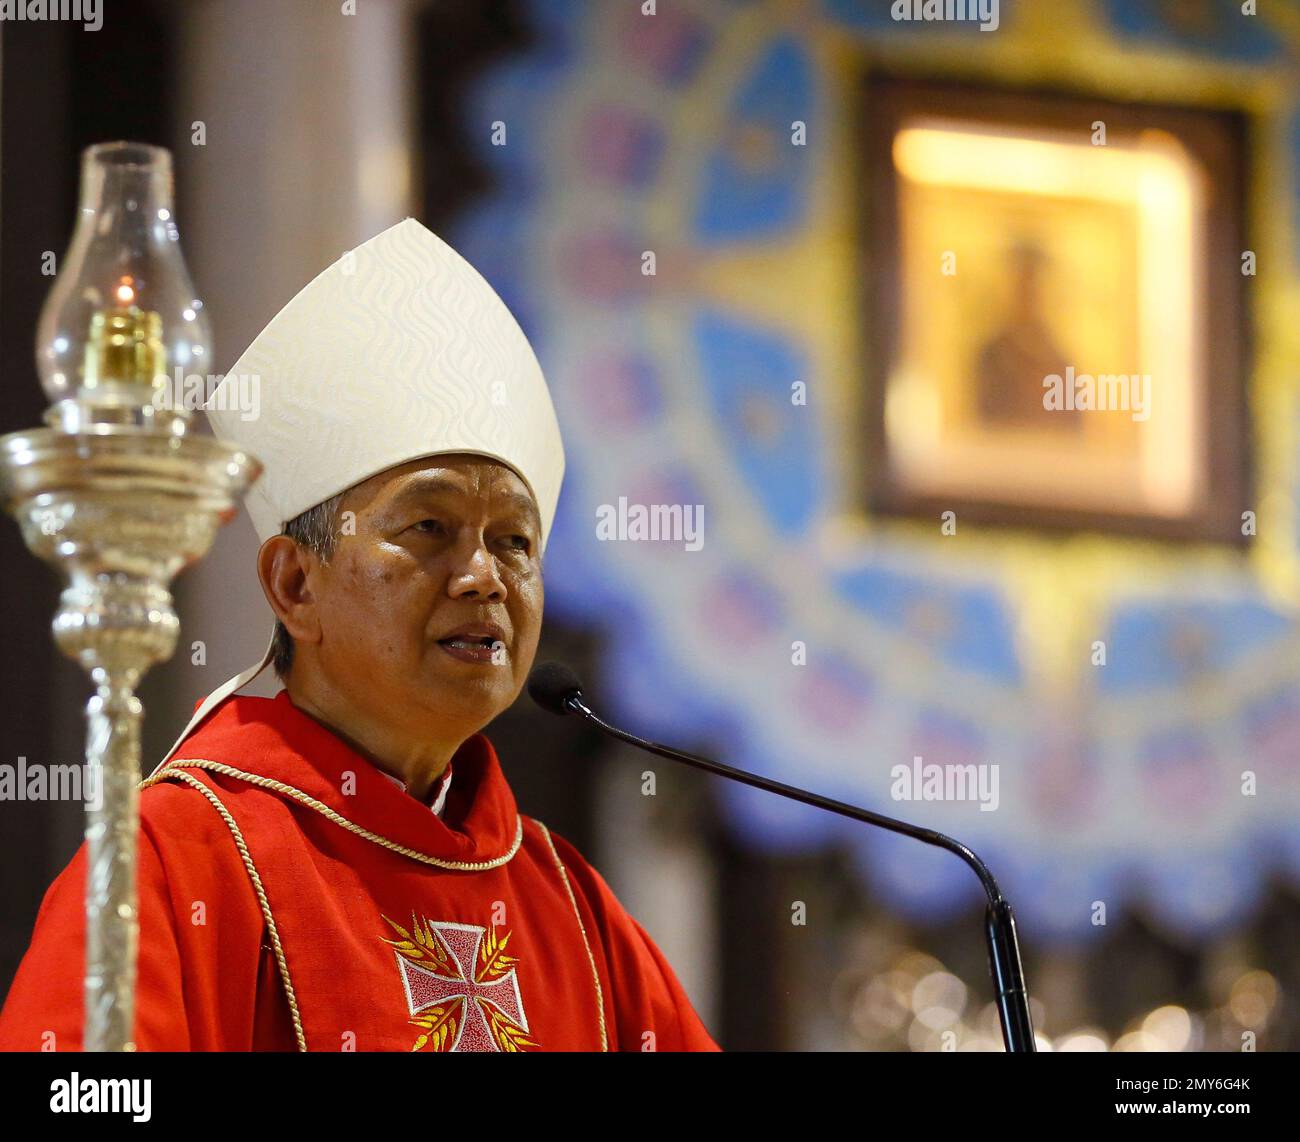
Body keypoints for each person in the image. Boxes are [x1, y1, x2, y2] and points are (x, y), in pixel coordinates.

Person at [0, 218, 719, 1052]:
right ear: (295, 585)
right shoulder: (176, 855)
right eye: (428, 526)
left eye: (514, 540)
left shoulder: (571, 907)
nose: (483, 575)